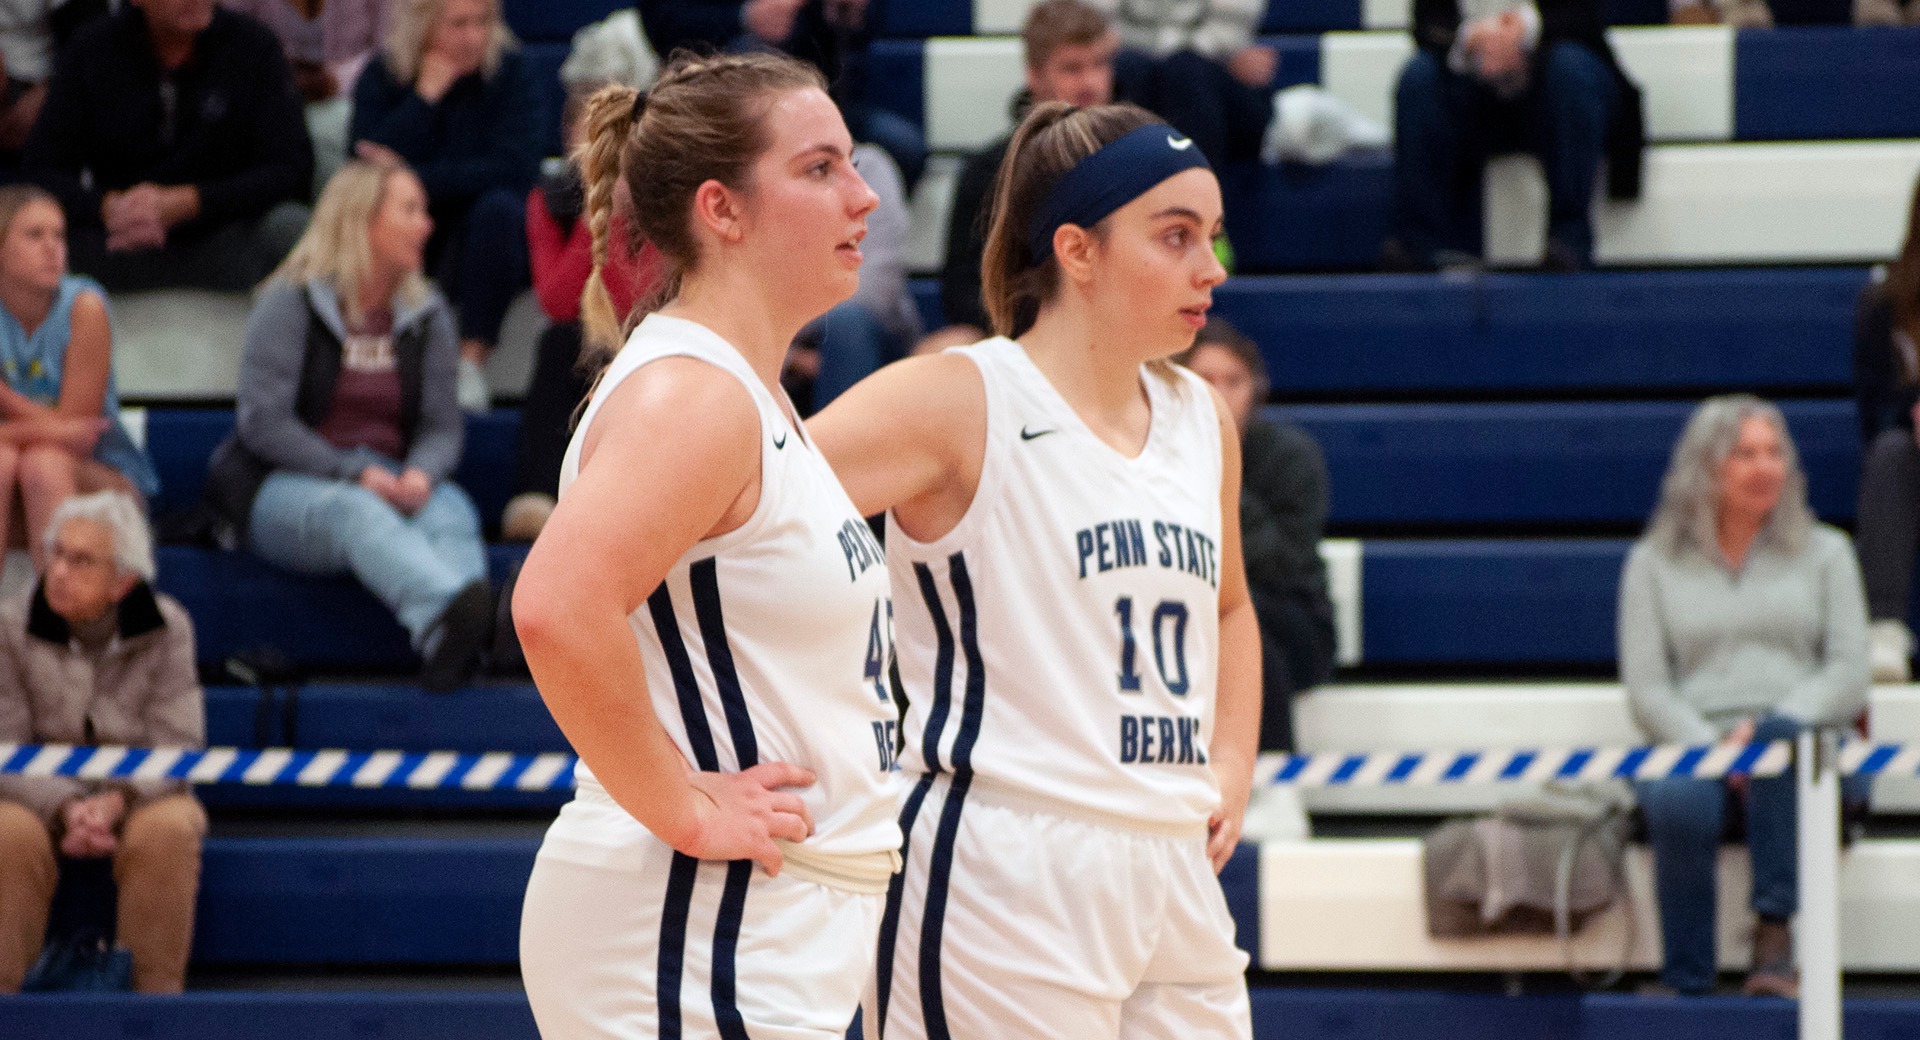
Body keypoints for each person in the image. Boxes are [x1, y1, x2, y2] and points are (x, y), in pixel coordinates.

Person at [811, 101, 1257, 1039]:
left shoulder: (1202, 418)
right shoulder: (957, 399)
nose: (1209, 268)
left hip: (1171, 860)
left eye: (1211, 237)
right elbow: (730, 517)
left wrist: (1231, 761)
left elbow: (1230, 608)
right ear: (1076, 250)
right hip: (1000, 864)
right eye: (1175, 237)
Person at [513, 52, 902, 1039]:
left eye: (852, 164)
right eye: (820, 169)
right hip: (701, 918)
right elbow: (556, 606)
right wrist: (684, 806)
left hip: (770, 920)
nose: (862, 196)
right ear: (723, 211)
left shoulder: (749, 391)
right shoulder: (695, 395)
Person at [203, 159, 494, 692]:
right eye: (410, 210)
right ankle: (461, 620)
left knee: (450, 509)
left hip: (386, 476)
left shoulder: (428, 314)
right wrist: (355, 471)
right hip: (282, 485)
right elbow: (263, 424)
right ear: (363, 221)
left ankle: (456, 648)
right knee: (354, 511)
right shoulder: (288, 302)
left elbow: (441, 427)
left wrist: (421, 475)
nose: (427, 225)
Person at [1619, 394, 1871, 998]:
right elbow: (1648, 688)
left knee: (1782, 746)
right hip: (1697, 743)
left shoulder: (1827, 552)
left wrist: (1768, 730)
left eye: (1774, 452)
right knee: (1679, 796)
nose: (1765, 467)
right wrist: (1716, 750)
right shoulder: (1652, 563)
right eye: (1744, 454)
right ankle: (1687, 981)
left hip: (1804, 744)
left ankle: (1774, 937)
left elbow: (1849, 672)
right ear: (1705, 468)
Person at [0, 491, 206, 993]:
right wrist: (67, 807)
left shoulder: (169, 627)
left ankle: (150, 1010)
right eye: (57, 554)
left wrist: (116, 800)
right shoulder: (7, 625)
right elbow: (5, 745)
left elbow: (177, 743)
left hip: (136, 794)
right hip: (35, 793)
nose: (61, 572)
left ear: (123, 581)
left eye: (82, 560)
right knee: (7, 833)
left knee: (172, 827)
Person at [21, 0, 313, 292]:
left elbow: (292, 169)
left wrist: (190, 202)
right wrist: (108, 208)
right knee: (26, 235)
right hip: (120, 240)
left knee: (292, 227)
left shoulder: (253, 46)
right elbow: (40, 172)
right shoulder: (91, 48)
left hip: (222, 233)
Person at [351, 0, 538, 411]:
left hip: (482, 234)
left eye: (483, 22)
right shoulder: (383, 74)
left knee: (500, 210)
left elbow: (515, 169)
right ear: (422, 26)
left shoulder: (509, 72)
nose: (474, 37)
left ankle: (470, 365)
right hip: (413, 232)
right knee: (385, 215)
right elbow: (364, 172)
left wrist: (413, 176)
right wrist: (423, 99)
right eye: (458, 24)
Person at [502, 87, 664, 542]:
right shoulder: (551, 199)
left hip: (654, 334)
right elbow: (556, 301)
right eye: (594, 132)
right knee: (558, 344)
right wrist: (596, 216)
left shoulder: (666, 200)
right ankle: (537, 497)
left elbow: (652, 293)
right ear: (570, 138)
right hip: (588, 336)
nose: (608, 146)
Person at [1382, 0, 1645, 273]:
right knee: (1419, 77)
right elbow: (1427, 23)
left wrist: (1525, 29)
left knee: (1572, 69)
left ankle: (1569, 241)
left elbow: (1583, 17)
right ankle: (1416, 245)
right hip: (1474, 93)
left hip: (1553, 86)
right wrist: (1472, 38)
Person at [1177, 319, 1332, 752]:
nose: (1220, 394)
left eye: (1234, 381)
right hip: (1200, 610)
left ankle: (1273, 789)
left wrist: (1219, 473)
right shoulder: (1159, 450)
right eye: (1205, 380)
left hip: (1293, 617)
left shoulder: (1292, 456)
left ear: (1255, 390)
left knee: (1247, 631)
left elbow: (1285, 559)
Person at [933, 0, 1118, 345]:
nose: (1090, 82)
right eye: (1072, 68)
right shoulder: (989, 170)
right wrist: (1039, 332)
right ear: (1034, 75)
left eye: (1099, 64)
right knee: (948, 345)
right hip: (1015, 336)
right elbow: (960, 290)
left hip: (1117, 329)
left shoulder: (1140, 159)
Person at [0, 185, 160, 570]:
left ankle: (53, 623)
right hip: (12, 480)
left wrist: (3, 398)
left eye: (59, 235)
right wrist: (55, 431)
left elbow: (80, 437)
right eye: (35, 235)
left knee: (43, 463)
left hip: (103, 479)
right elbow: (64, 430)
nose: (53, 248)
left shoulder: (84, 307)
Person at [634, 0, 926, 189]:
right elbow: (664, 25)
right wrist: (745, 17)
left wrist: (848, 11)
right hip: (722, 112)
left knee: (902, 148)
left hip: (825, 98)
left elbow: (863, 29)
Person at [1852, 175, 1920, 683]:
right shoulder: (1885, 304)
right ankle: (1886, 629)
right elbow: (1871, 417)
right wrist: (1913, 412)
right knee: (1891, 452)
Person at [220, 0, 391, 193]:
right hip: (269, 100)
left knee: (339, 125)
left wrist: (338, 80)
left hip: (349, 96)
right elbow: (233, 50)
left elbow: (387, 52)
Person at [1090, 0, 1276, 171]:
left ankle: (1197, 197)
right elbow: (1092, 20)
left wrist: (1167, 60)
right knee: (1132, 69)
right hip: (1128, 62)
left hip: (1214, 72)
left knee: (1185, 71)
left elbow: (1227, 29)